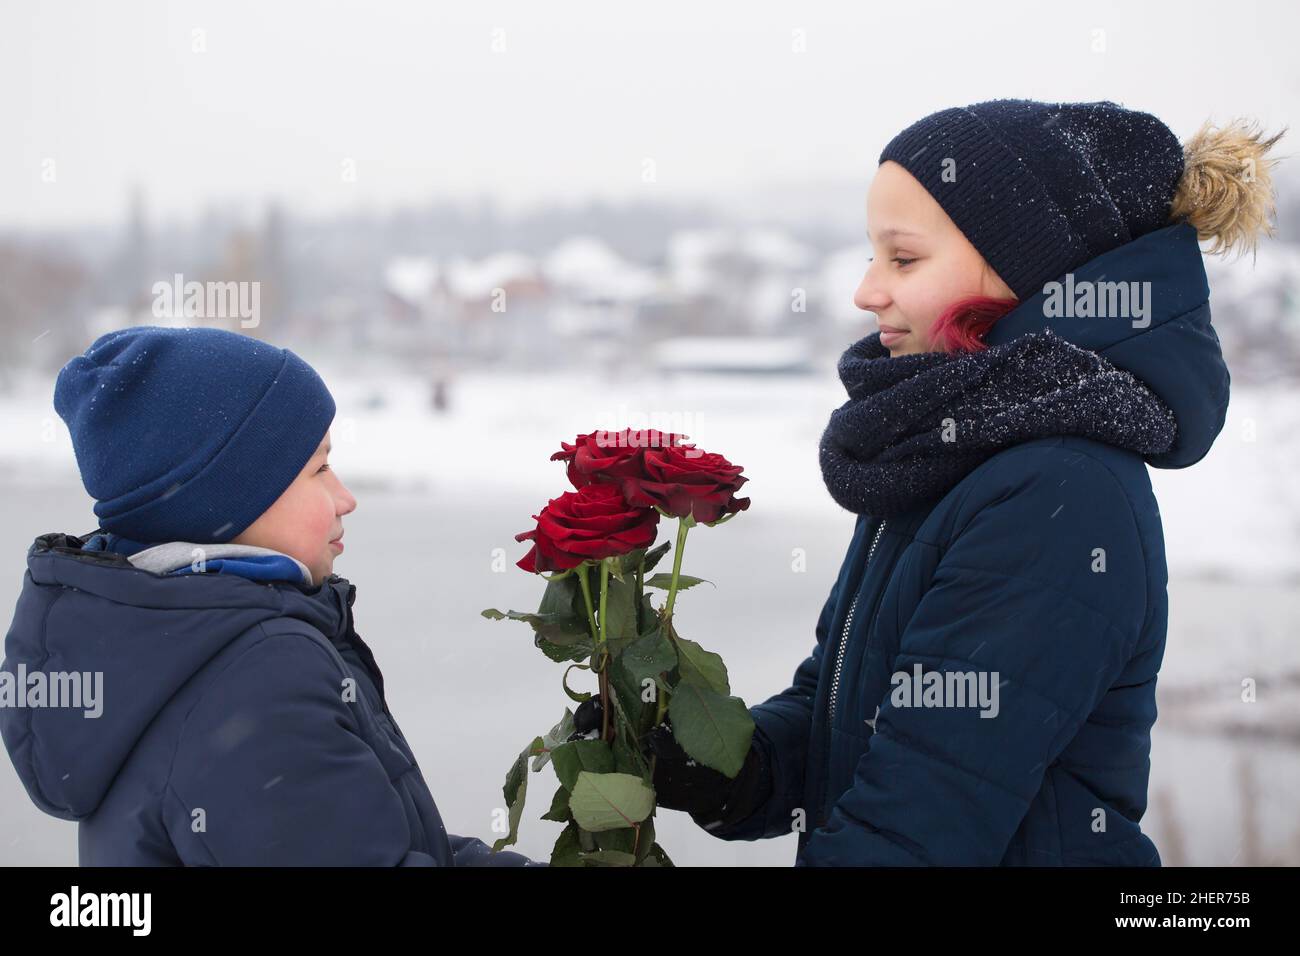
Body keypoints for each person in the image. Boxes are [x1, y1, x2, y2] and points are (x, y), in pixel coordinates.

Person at [650, 99, 1284, 865]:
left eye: (903, 259)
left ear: (1024, 273)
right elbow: (846, 705)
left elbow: (913, 830)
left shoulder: (1055, 492)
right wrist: (723, 766)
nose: (865, 291)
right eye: (871, 255)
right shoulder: (952, 445)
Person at [0, 325, 538, 866]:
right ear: (223, 502)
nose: (346, 498)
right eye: (319, 468)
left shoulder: (170, 642)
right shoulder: (258, 676)